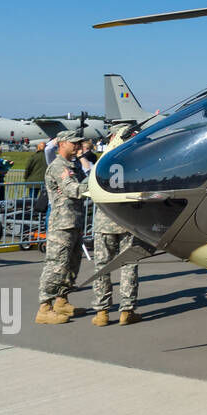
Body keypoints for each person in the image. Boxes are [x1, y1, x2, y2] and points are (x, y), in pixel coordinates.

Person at [90, 122, 142, 326]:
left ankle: (102, 312)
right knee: (129, 265)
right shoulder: (135, 162)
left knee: (102, 266)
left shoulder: (103, 161)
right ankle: (127, 310)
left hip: (104, 221)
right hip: (127, 221)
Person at [36, 131, 89, 324]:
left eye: (79, 143)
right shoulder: (58, 166)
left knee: (72, 265)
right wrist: (91, 184)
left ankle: (62, 301)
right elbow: (72, 190)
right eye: (74, 143)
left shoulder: (73, 165)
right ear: (62, 143)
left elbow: (77, 186)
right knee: (56, 265)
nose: (78, 146)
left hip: (75, 222)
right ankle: (44, 307)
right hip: (61, 224)